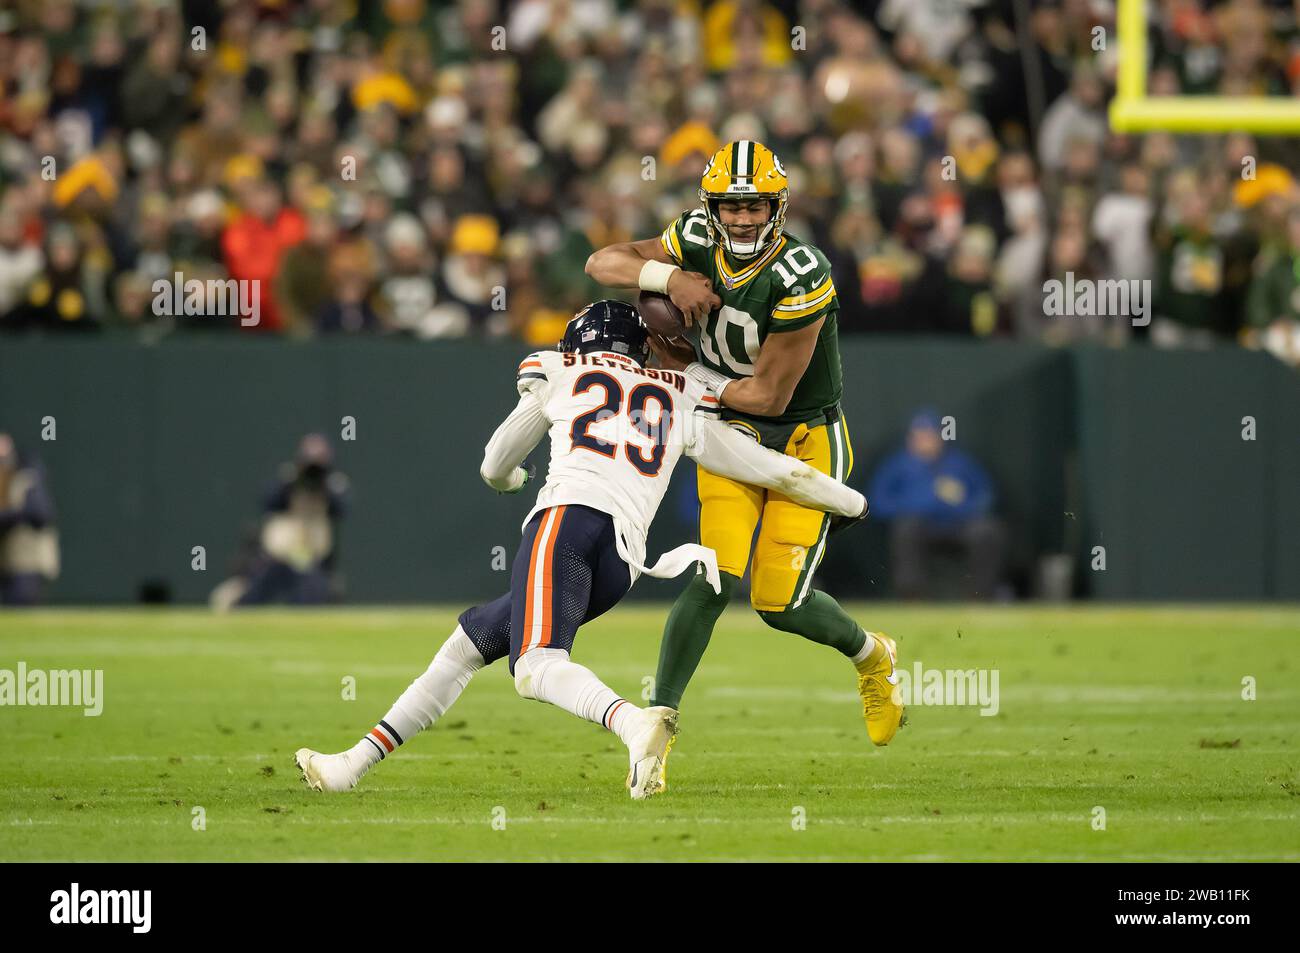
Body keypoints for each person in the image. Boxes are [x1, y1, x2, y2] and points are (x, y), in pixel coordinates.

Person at [294, 301, 869, 799]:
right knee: (466, 646)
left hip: (565, 523)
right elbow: (778, 471)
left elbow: (495, 464)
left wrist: (516, 483)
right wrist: (849, 502)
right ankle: (352, 765)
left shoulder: (560, 371)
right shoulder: (678, 394)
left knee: (535, 666)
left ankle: (632, 722)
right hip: (622, 562)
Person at [583, 140, 905, 786]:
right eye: (730, 207)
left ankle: (873, 655)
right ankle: (657, 727)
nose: (740, 219)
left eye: (753, 205)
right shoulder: (695, 235)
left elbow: (769, 394)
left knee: (777, 602)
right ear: (712, 207)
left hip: (800, 437)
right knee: (709, 578)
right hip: (727, 435)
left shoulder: (801, 273)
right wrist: (667, 277)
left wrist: (686, 377)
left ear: (776, 206)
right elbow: (601, 261)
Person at [868, 410, 1005, 600]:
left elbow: (985, 495)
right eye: (920, 436)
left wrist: (962, 507)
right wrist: (917, 507)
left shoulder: (959, 462)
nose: (925, 441)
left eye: (930, 435)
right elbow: (879, 503)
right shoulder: (897, 464)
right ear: (910, 438)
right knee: (906, 530)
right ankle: (913, 598)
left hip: (958, 526)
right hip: (919, 527)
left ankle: (979, 597)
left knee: (986, 531)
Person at [0, 433, 59, 605]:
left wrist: (7, 516)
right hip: (7, 560)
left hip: (28, 560)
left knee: (21, 607)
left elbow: (41, 514)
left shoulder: (26, 479)